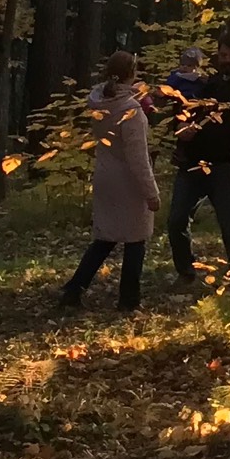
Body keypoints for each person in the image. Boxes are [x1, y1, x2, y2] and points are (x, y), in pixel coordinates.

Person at [59, 50, 161, 311]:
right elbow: (137, 157)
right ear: (133, 73)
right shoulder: (131, 112)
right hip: (128, 181)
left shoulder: (99, 102)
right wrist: (151, 192)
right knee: (135, 239)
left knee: (105, 238)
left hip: (105, 175)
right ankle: (129, 299)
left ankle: (74, 289)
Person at [168, 32, 230, 286]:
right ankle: (186, 271)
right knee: (176, 219)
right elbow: (186, 114)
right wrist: (183, 133)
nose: (228, 60)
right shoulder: (209, 83)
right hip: (193, 162)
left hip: (226, 163)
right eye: (223, 55)